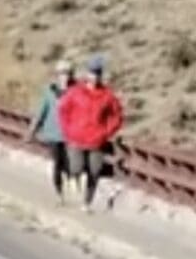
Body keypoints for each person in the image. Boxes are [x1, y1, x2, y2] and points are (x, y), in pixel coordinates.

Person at [57, 55, 124, 213]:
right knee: (76, 168)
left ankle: (86, 203)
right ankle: (72, 186)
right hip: (76, 138)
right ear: (87, 74)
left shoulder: (107, 95)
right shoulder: (75, 92)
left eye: (97, 74)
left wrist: (106, 131)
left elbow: (117, 115)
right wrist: (67, 130)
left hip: (96, 140)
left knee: (94, 172)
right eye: (92, 73)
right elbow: (63, 110)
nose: (94, 77)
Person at [25, 59, 74, 205]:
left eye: (67, 74)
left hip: (70, 135)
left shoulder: (75, 92)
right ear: (57, 76)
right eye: (62, 74)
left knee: (69, 163)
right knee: (58, 163)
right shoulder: (49, 92)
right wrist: (31, 131)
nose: (65, 77)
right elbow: (41, 112)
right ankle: (59, 194)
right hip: (53, 135)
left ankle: (71, 189)